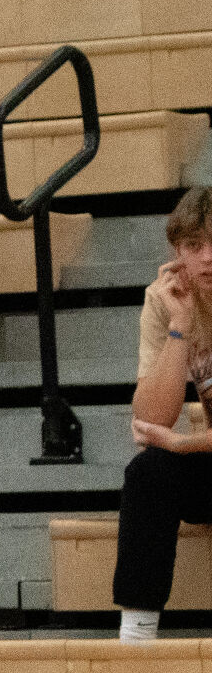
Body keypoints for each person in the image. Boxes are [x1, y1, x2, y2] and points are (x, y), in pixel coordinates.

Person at [114, 189, 212, 641]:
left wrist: (181, 443)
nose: (208, 259)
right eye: (195, 247)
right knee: (150, 472)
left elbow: (169, 436)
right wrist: (179, 327)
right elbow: (151, 420)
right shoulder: (166, 300)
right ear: (178, 252)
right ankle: (137, 636)